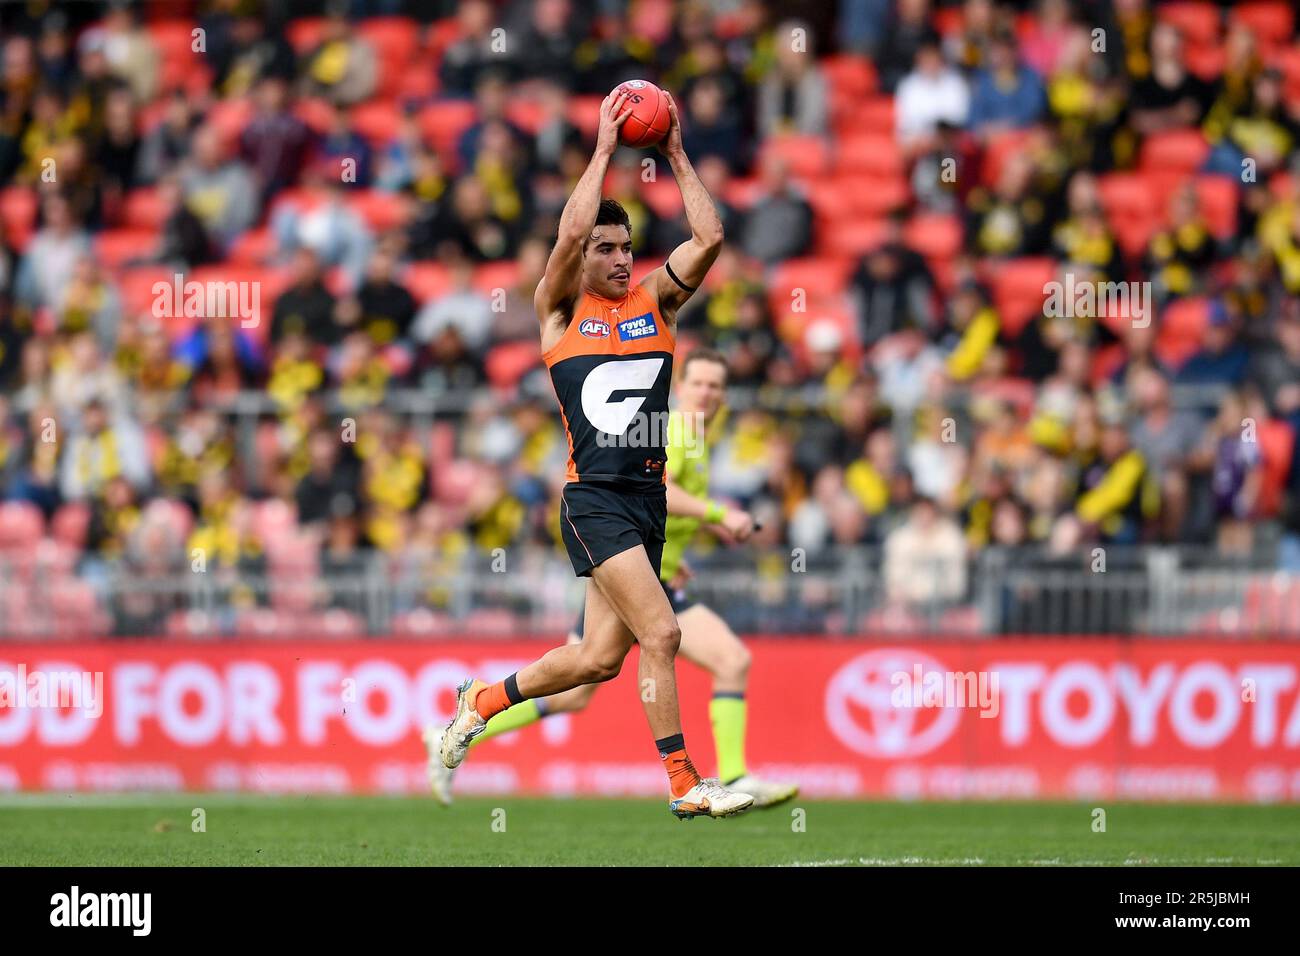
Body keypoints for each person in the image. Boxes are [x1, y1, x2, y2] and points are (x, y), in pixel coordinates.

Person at [430, 89, 749, 820]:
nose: (616, 258)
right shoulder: (558, 311)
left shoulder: (655, 305)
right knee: (662, 633)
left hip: (647, 500)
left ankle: (478, 700)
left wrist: (672, 153)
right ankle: (684, 783)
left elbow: (710, 239)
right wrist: (604, 152)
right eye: (604, 248)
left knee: (598, 663)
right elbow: (568, 239)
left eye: (625, 247)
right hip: (593, 499)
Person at [426, 349, 799, 809]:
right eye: (698, 383)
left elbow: (657, 504)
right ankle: (699, 779)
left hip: (653, 571)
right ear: (678, 385)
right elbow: (664, 488)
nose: (707, 393)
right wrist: (721, 515)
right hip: (634, 570)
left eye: (716, 386)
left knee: (595, 671)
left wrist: (673, 553)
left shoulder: (697, 435)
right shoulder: (677, 429)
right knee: (659, 659)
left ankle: (476, 710)